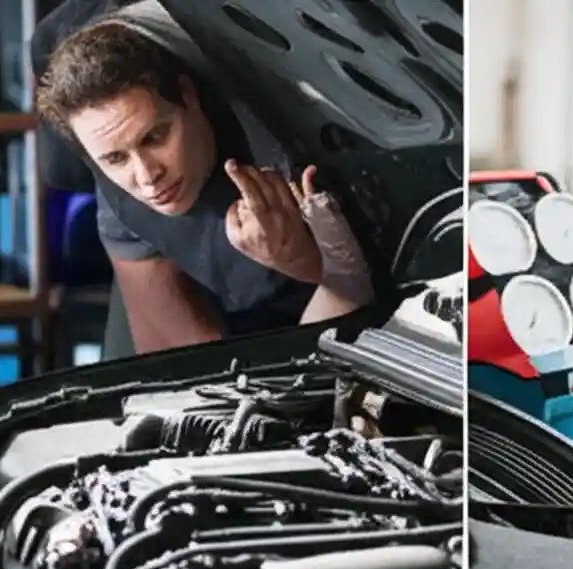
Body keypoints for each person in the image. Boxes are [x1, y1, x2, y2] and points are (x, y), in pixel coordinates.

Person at [32, 0, 373, 354]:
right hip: (163, 252)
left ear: (189, 96)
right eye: (116, 158)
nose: (148, 176)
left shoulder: (289, 125)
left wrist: (304, 260)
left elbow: (371, 287)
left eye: (155, 137)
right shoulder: (93, 129)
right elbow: (178, 353)